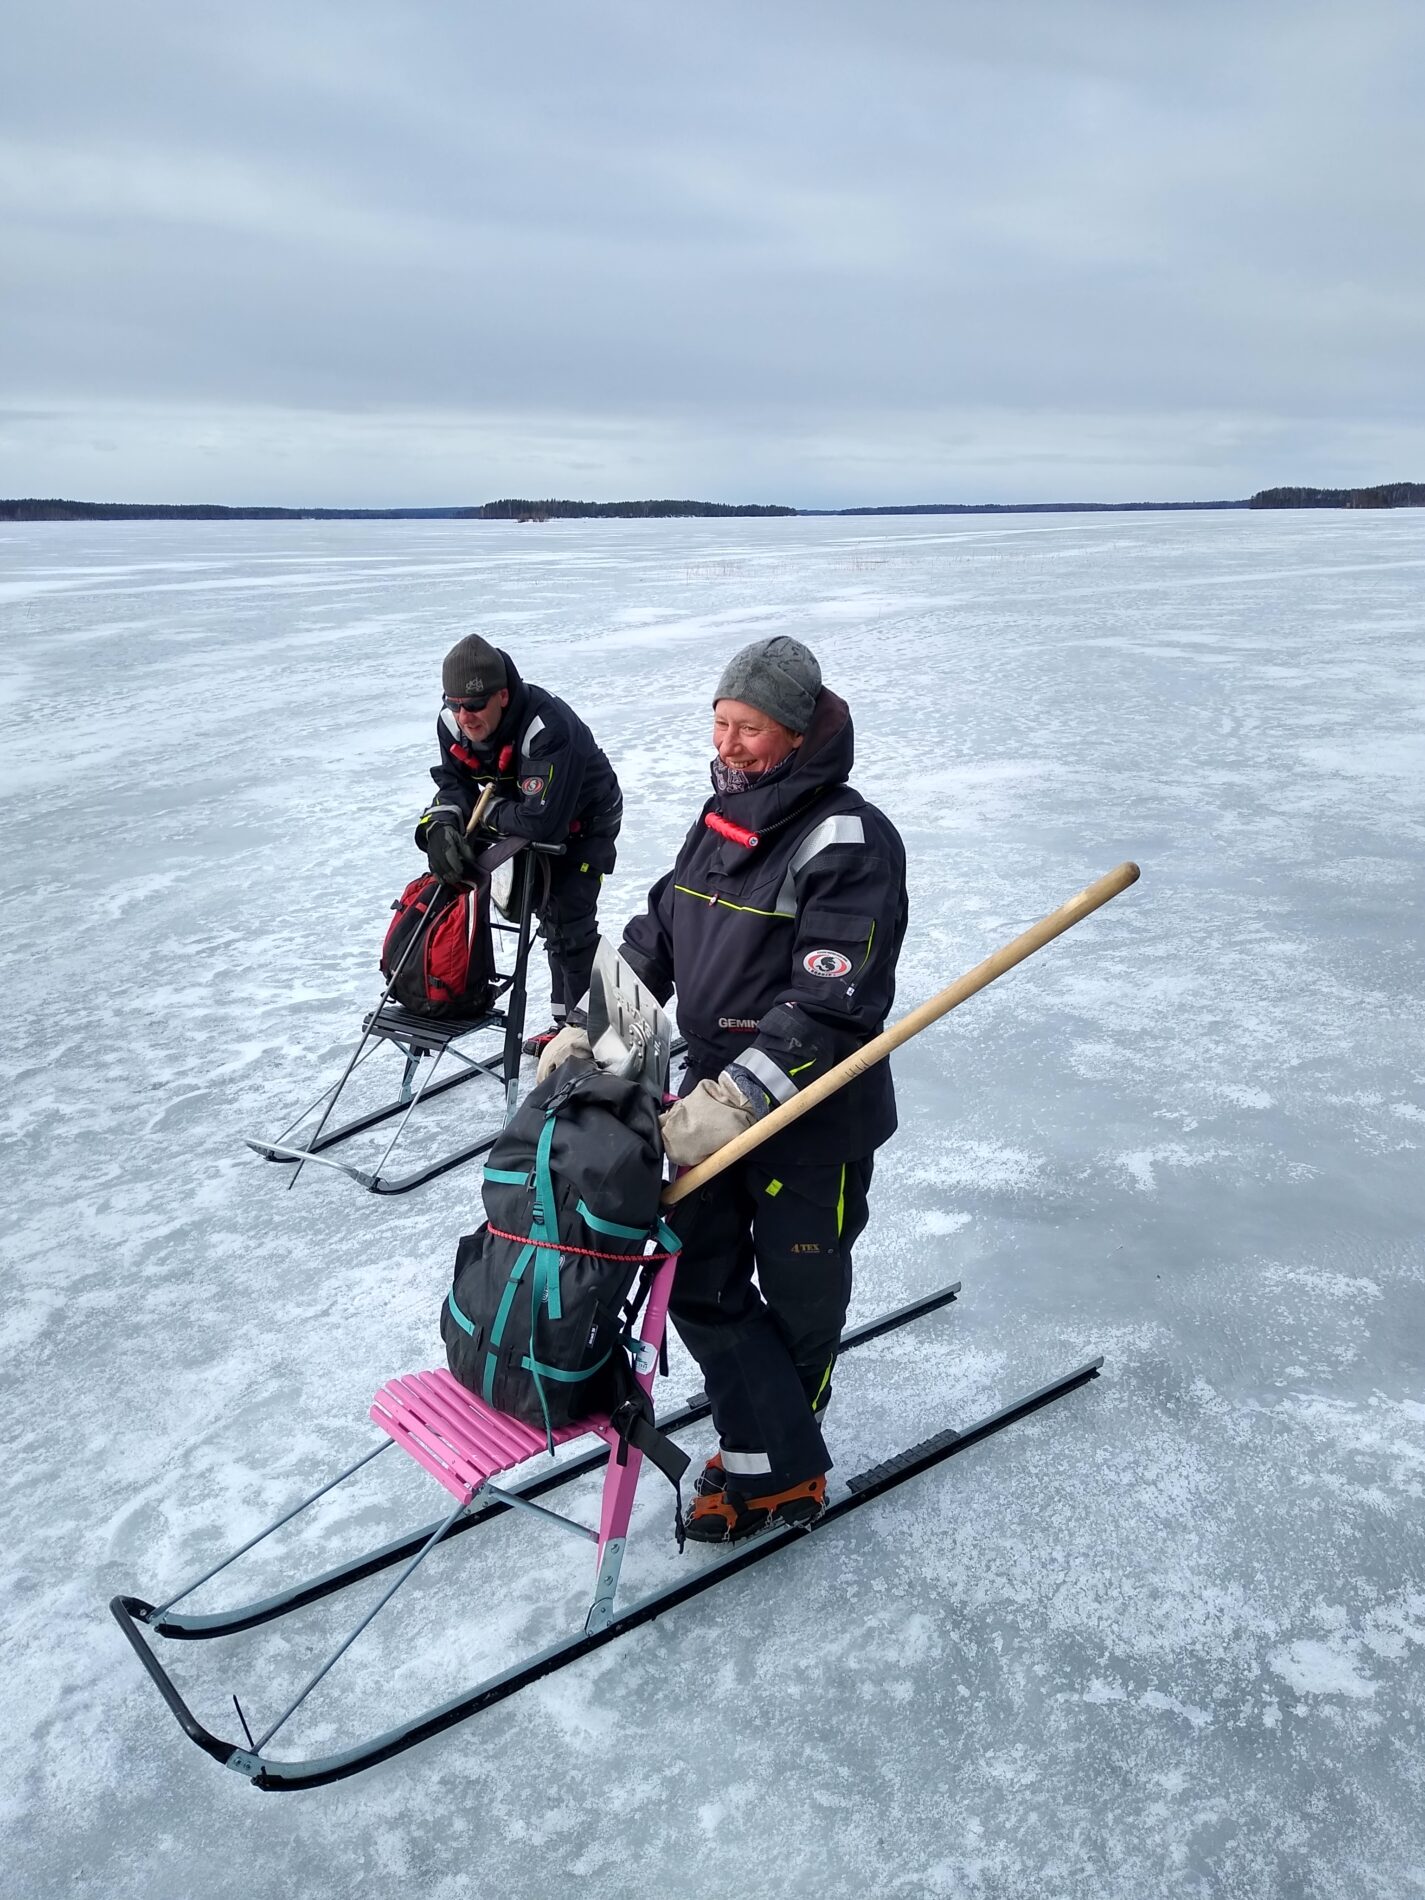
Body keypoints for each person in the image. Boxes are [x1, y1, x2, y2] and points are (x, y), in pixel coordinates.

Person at [546, 635, 907, 1542]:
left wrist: (737, 1100)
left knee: (799, 1296)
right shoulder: (720, 820)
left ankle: (780, 1468)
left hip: (808, 1118)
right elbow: (653, 939)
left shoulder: (848, 841)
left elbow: (829, 1008)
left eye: (750, 727)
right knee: (697, 1274)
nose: (731, 742)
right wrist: (589, 1027)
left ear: (795, 732)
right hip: (701, 1108)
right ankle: (767, 1437)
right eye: (721, 723)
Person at [417, 635, 622, 1050]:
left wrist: (482, 808)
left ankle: (595, 1033)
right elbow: (453, 783)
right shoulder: (452, 723)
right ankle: (566, 1025)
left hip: (587, 823)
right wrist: (439, 825)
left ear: (503, 696)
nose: (464, 716)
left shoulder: (547, 728)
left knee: (571, 924)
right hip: (523, 816)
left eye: (474, 706)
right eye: (454, 704)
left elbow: (541, 821)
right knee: (550, 919)